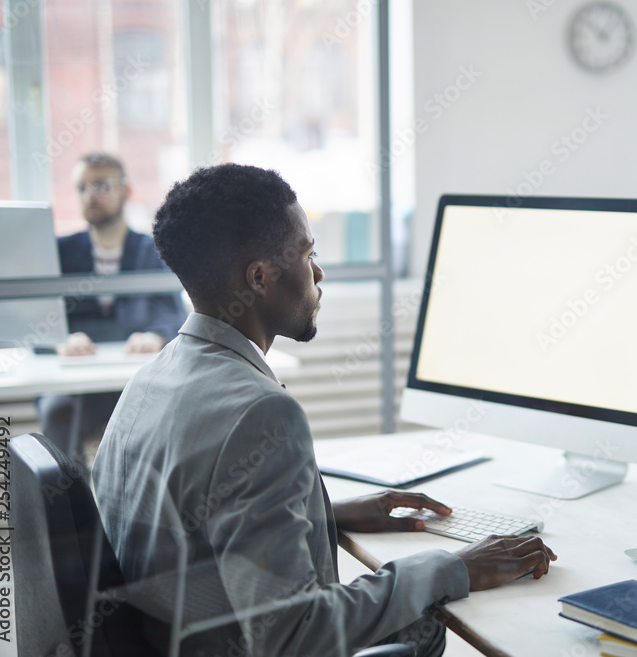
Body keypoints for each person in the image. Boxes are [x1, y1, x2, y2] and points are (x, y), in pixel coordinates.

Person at [91, 163, 556, 657]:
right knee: (425, 626)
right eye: (308, 254)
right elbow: (293, 635)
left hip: (170, 633)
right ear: (259, 277)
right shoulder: (262, 413)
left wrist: (320, 514)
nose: (318, 272)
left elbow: (186, 522)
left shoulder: (152, 377)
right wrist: (453, 566)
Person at [37, 153, 186, 470]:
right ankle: (70, 513)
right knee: (56, 411)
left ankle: (141, 511)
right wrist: (60, 338)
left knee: (166, 412)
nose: (90, 195)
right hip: (74, 383)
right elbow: (35, 320)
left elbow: (175, 316)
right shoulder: (58, 252)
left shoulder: (153, 250)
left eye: (101, 186)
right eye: (82, 187)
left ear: (126, 192)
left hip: (132, 379)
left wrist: (156, 335)